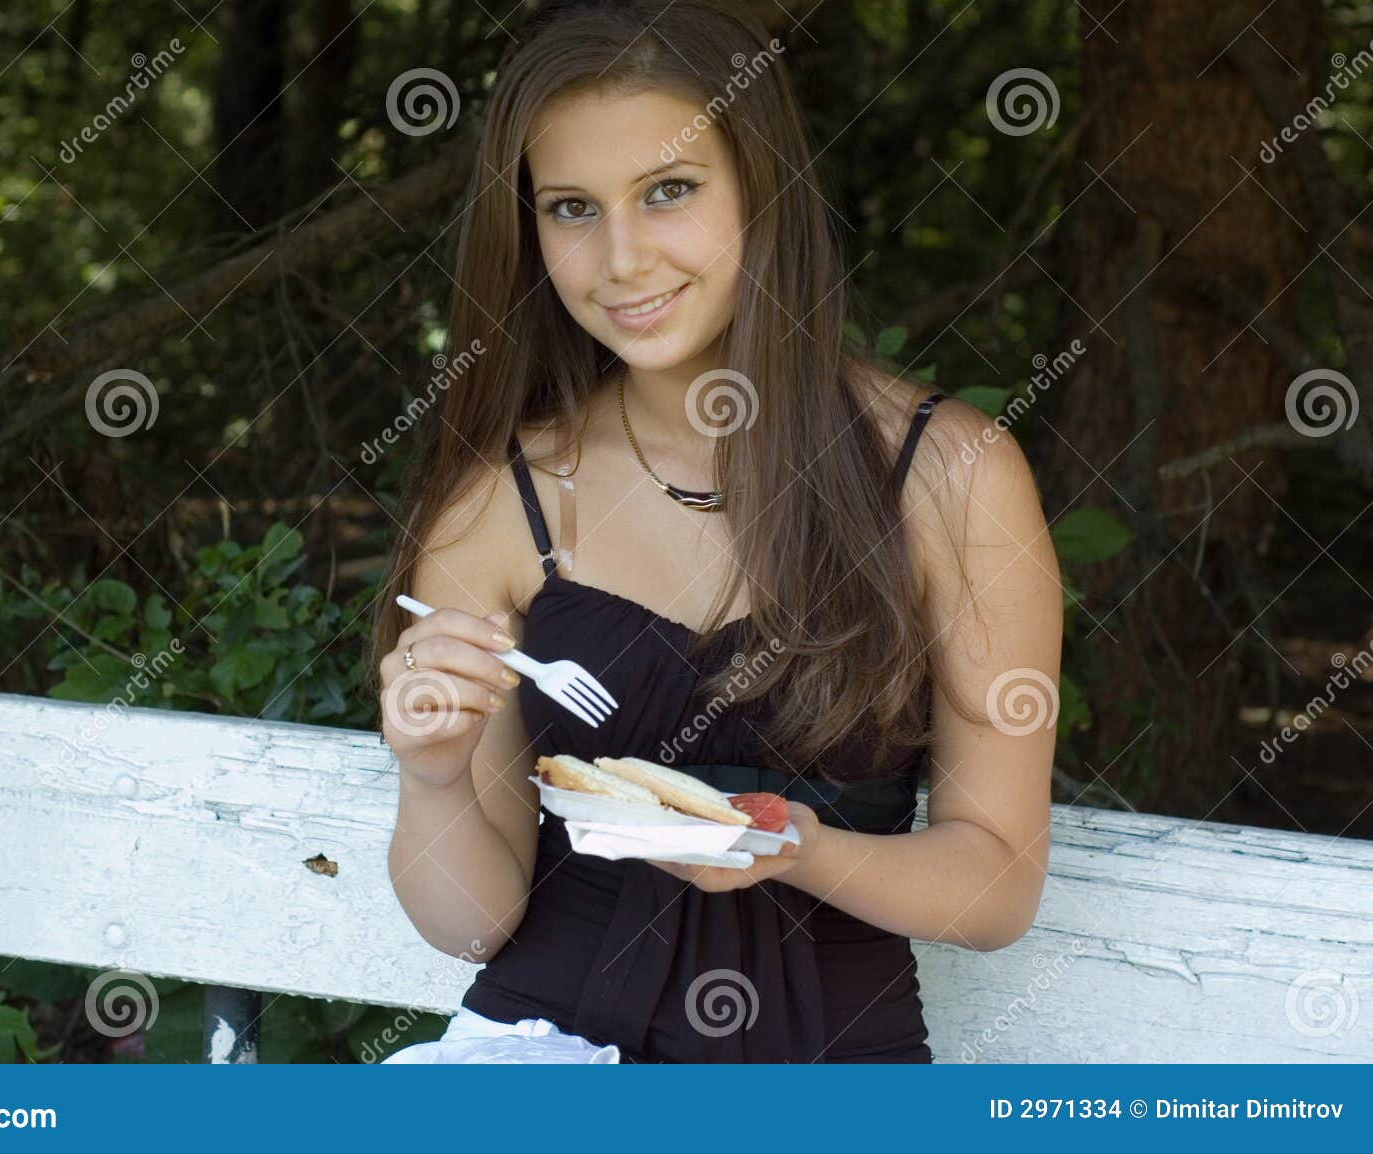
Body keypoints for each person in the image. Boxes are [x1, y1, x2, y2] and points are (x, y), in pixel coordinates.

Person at [367, 0, 1061, 1063]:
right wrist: (434, 769)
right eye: (570, 208)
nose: (621, 258)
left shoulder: (949, 476)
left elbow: (996, 881)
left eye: (670, 191)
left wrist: (797, 847)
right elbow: (469, 923)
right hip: (537, 1051)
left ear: (764, 189)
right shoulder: (500, 495)